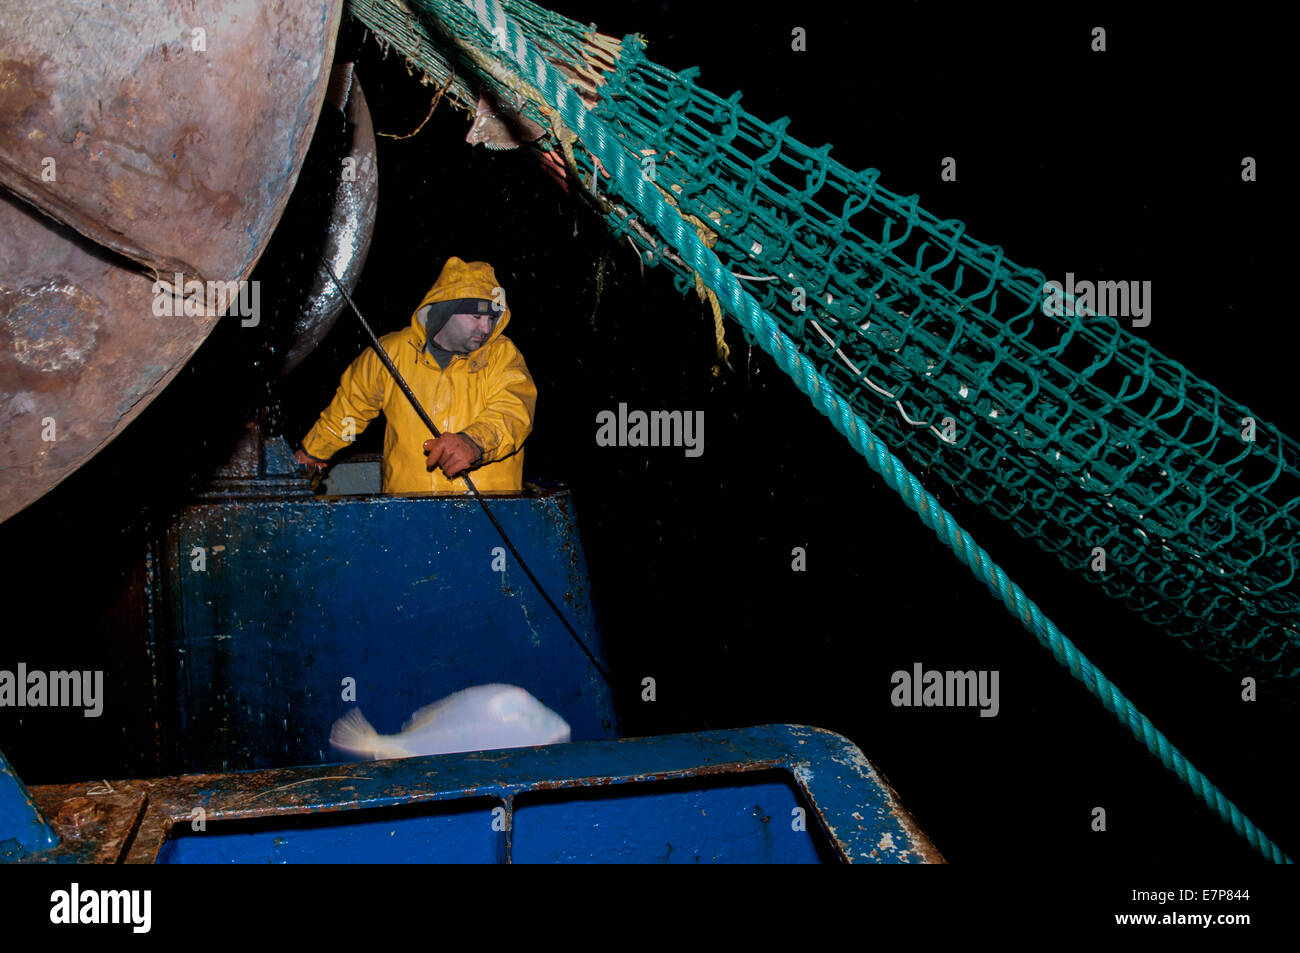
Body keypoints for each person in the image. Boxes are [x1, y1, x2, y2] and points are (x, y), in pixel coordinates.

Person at [294, 256, 536, 492]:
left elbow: (513, 411)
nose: (486, 328)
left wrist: (474, 442)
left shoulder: (502, 355)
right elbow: (347, 415)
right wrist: (311, 455)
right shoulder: (389, 354)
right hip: (405, 514)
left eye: (491, 318)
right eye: (476, 316)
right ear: (444, 311)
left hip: (489, 511)